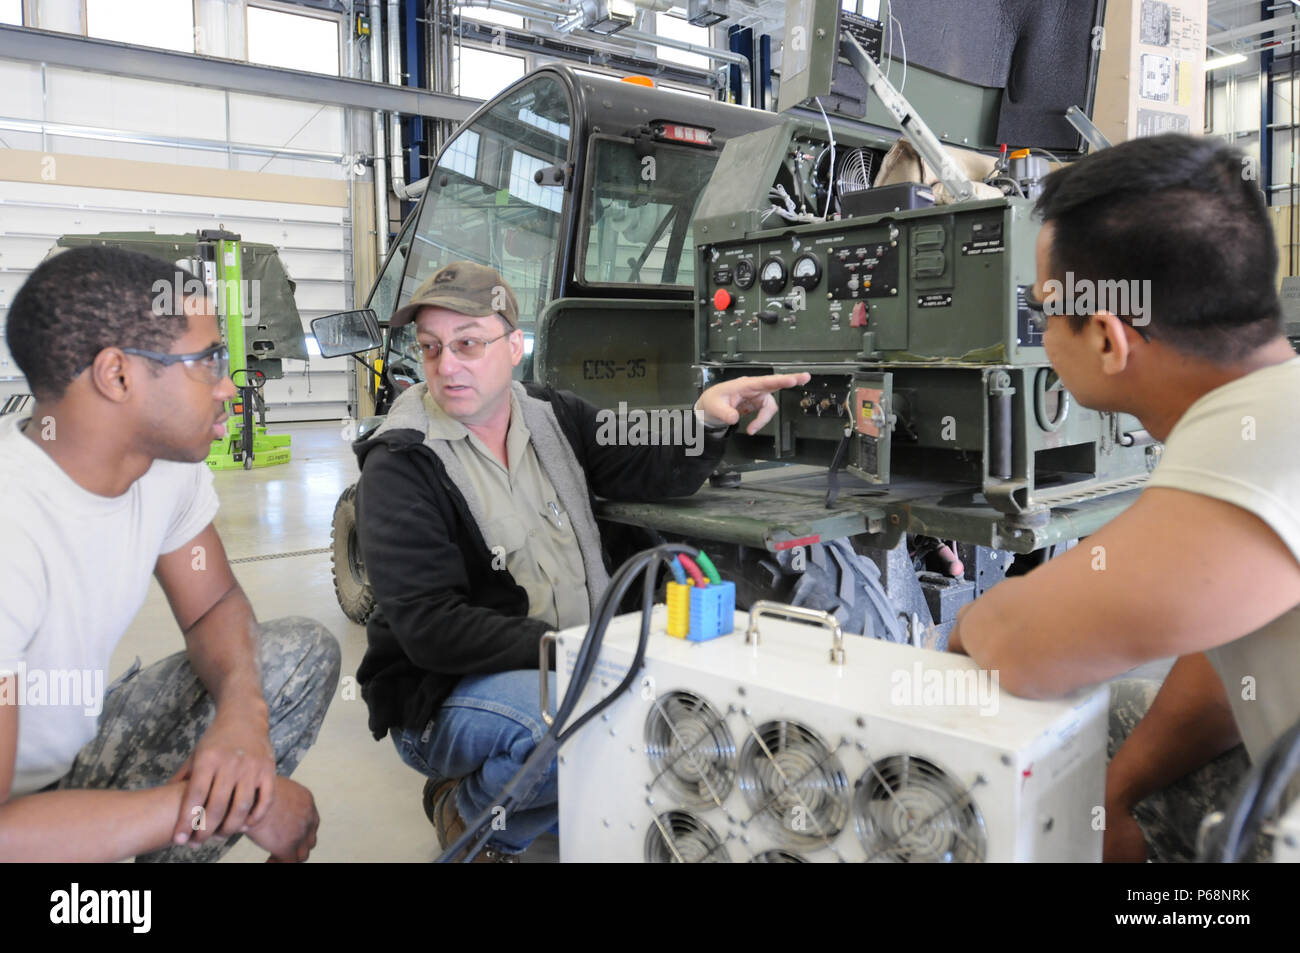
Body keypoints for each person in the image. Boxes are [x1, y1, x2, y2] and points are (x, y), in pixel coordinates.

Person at [354, 260, 809, 861]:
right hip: (445, 695)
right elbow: (431, 628)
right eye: (432, 348)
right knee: (574, 723)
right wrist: (580, 656)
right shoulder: (402, 464)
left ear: (514, 346)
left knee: (665, 708)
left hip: (564, 660)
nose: (447, 365)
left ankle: (571, 780)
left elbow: (638, 451)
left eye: (468, 344)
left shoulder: (551, 415)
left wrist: (705, 418)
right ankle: (468, 813)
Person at [947, 134, 1300, 862]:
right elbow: (1228, 659)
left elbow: (1019, 648)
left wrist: (963, 628)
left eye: (1044, 310)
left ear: (1109, 338)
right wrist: (1116, 791)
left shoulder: (1261, 440)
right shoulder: (1273, 406)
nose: (1041, 333)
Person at [0, 246, 340, 862]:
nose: (226, 386)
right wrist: (233, 805)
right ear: (117, 375)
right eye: (208, 361)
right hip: (11, 822)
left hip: (61, 766)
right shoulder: (11, 527)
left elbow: (213, 606)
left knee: (297, 653)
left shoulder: (161, 468)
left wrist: (242, 716)